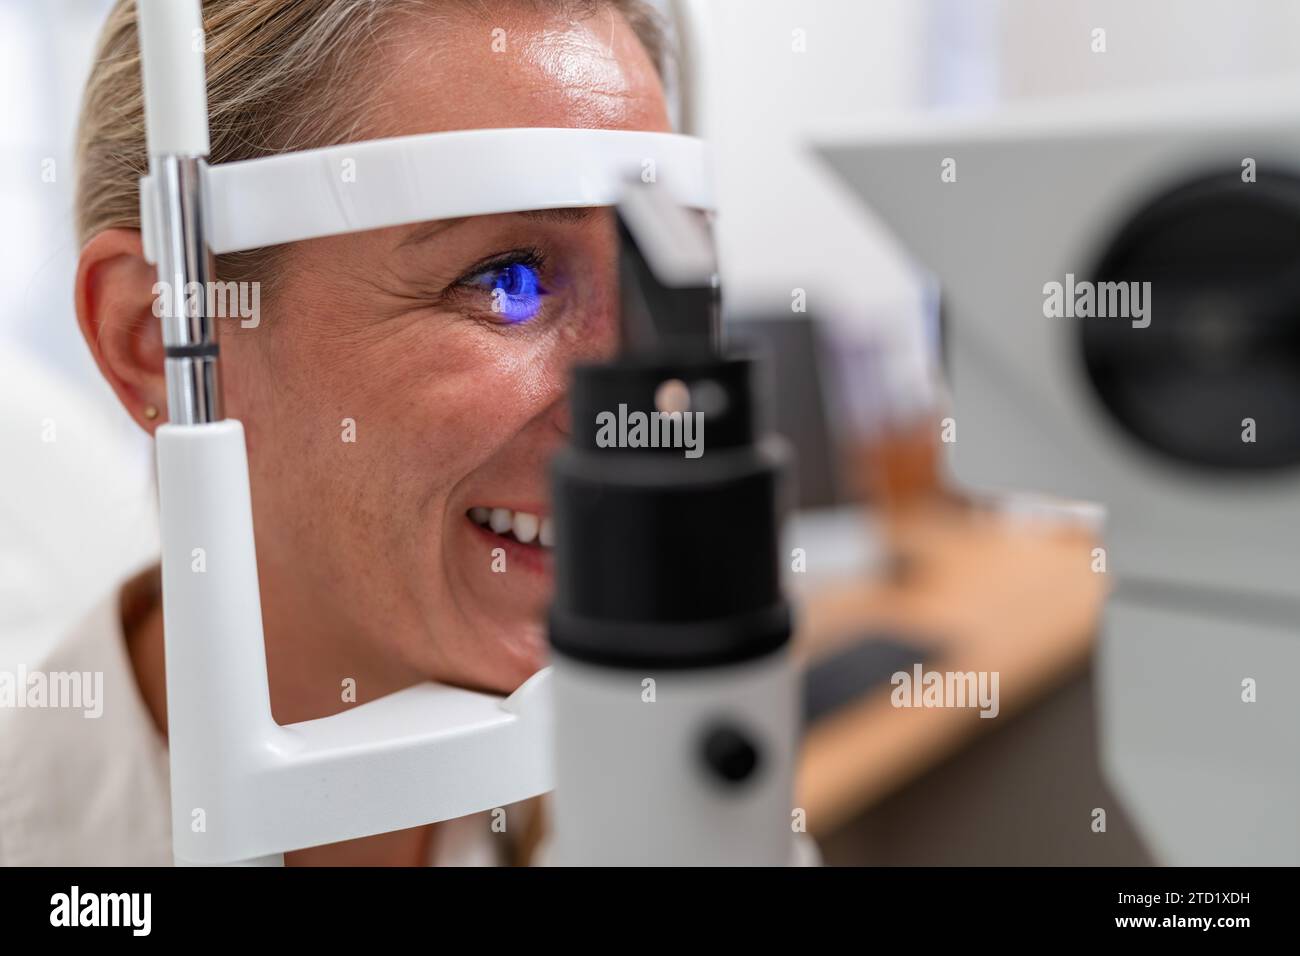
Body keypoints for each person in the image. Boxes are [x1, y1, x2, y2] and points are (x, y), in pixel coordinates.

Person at [0, 0, 672, 866]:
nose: (646, 410)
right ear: (158, 336)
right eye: (508, 280)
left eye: (664, 283)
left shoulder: (675, 781)